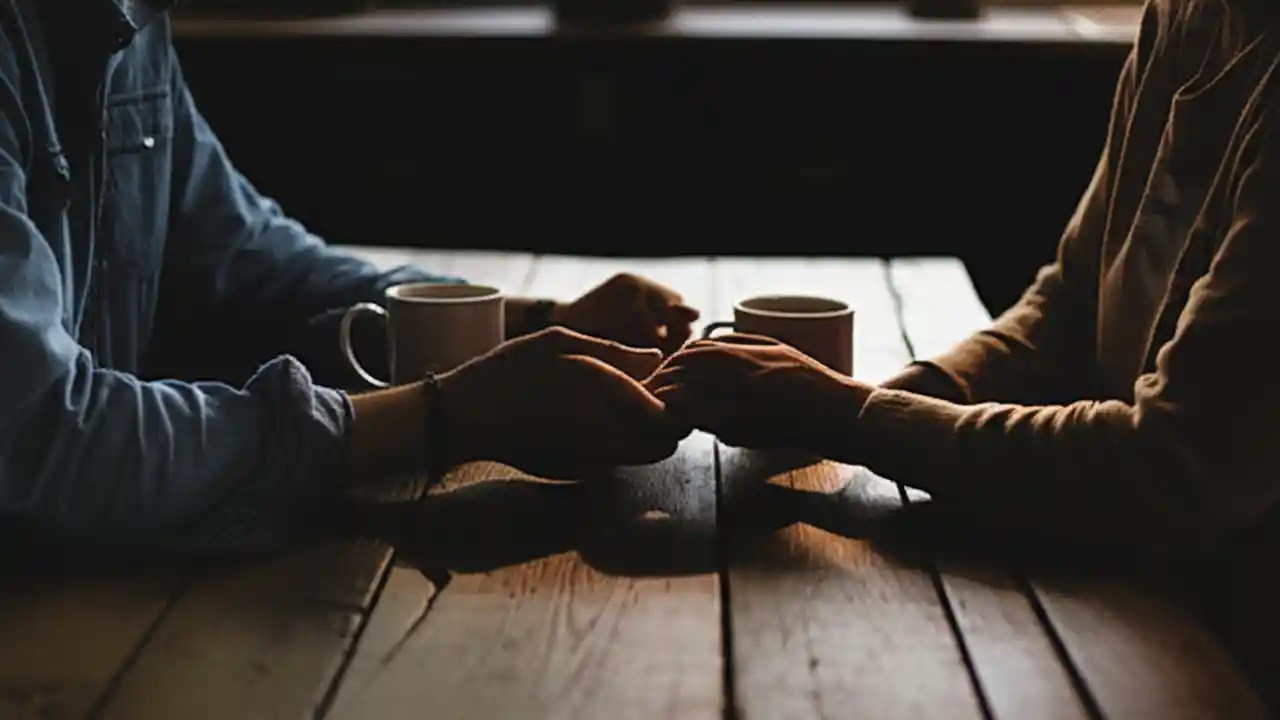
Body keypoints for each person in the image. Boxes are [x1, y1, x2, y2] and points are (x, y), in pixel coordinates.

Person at [0, 0, 696, 549]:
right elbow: (43, 438)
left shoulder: (135, 29)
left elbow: (248, 257)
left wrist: (531, 321)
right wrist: (447, 416)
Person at [652, 0, 1280, 558]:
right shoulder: (1183, 17)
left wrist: (852, 415)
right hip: (1121, 567)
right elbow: (1068, 300)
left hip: (1225, 642)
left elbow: (1179, 468)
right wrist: (920, 389)